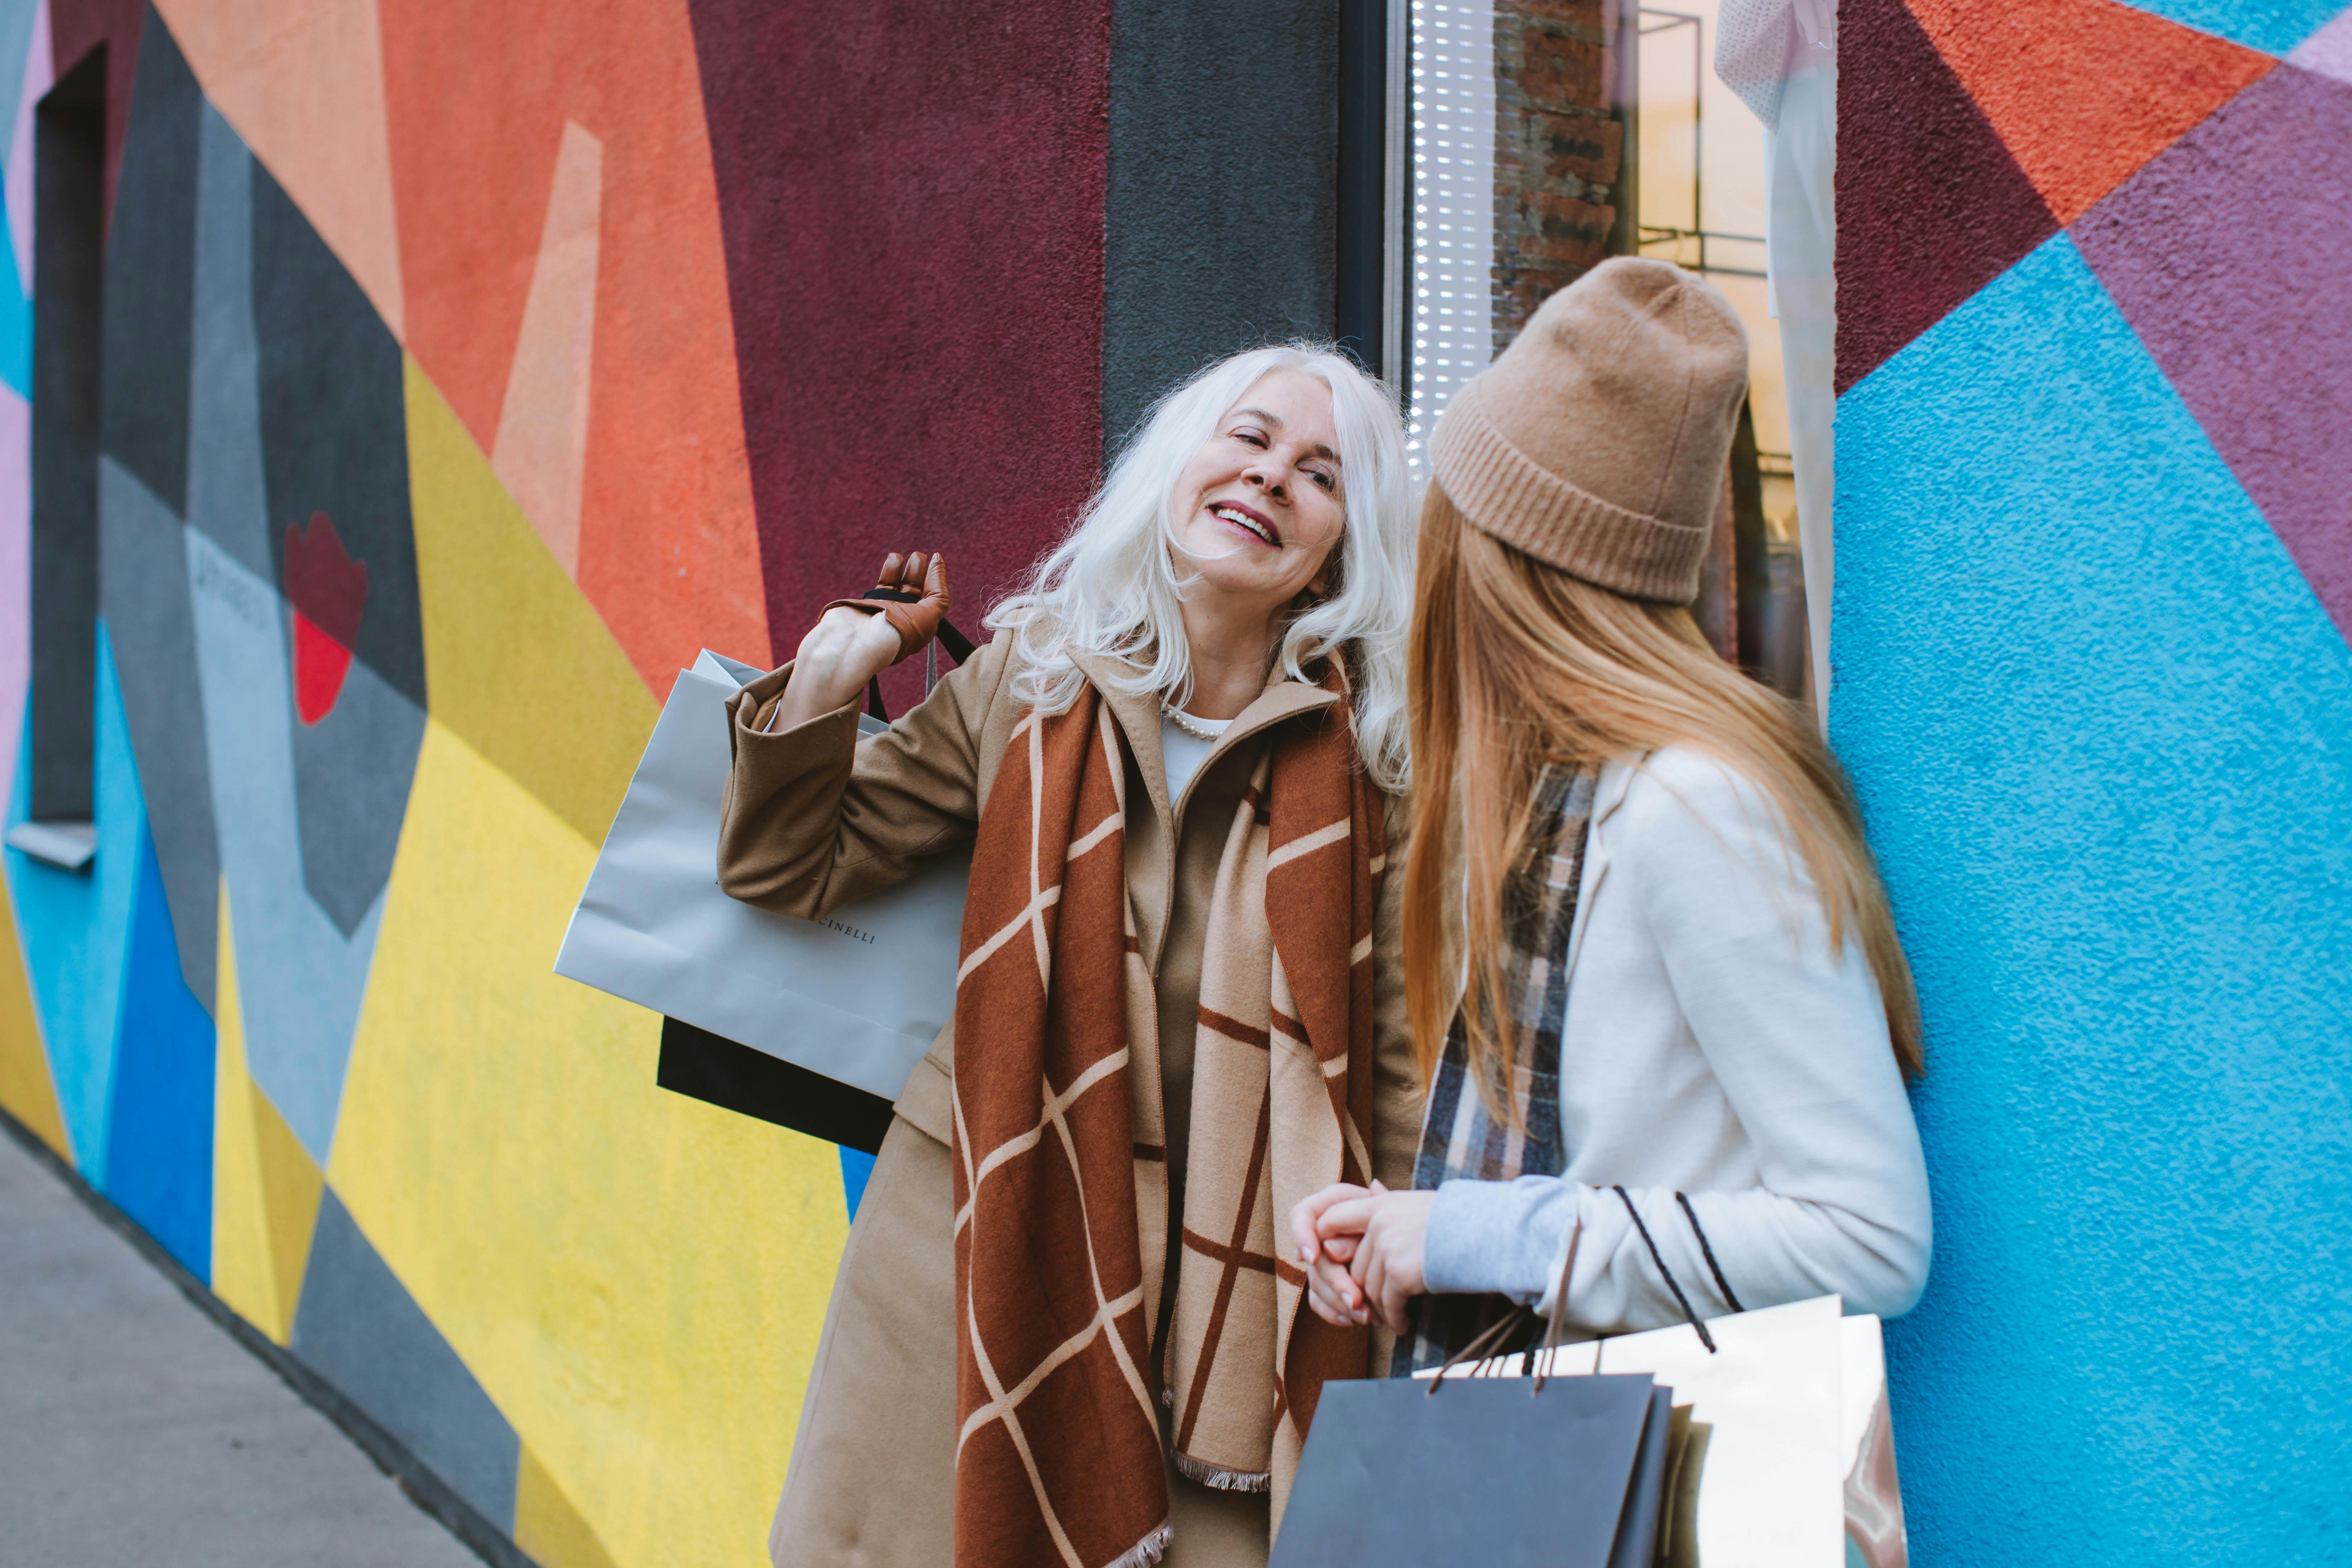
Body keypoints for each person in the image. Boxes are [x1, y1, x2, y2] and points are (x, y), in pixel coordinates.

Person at [717, 344, 1422, 1568]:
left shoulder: (1377, 766)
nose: (1269, 480)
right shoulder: (1032, 676)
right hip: (977, 1250)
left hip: (1230, 1323)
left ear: (1343, 547)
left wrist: (1398, 1260)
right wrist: (836, 670)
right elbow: (787, 868)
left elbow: (1397, 1062)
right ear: (1180, 462)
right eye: (1248, 440)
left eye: (1320, 474)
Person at [1289, 259, 1931, 1362]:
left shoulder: (1695, 805)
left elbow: (1870, 1238)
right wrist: (1414, 1233)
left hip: (1654, 1484)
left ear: (1497, 564)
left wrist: (1482, 1233)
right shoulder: (1576, 801)